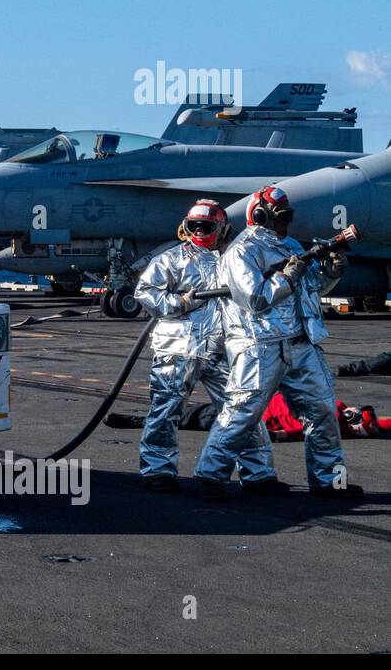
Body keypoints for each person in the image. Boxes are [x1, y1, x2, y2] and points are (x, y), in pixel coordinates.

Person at [193, 185, 360, 498]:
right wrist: (287, 276)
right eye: (282, 216)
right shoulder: (242, 252)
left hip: (300, 343)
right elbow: (256, 299)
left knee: (322, 412)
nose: (287, 222)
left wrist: (331, 273)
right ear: (260, 215)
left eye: (288, 216)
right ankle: (209, 477)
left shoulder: (290, 245)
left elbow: (311, 289)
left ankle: (329, 482)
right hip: (259, 346)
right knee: (242, 413)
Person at [132, 199, 273, 493]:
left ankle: (258, 473)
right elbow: (145, 293)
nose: (200, 231)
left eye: (206, 226)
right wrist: (181, 303)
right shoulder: (172, 259)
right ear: (186, 226)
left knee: (242, 410)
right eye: (194, 225)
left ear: (222, 228)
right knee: (165, 410)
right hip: (177, 349)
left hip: (221, 350)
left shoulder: (234, 261)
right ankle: (158, 470)